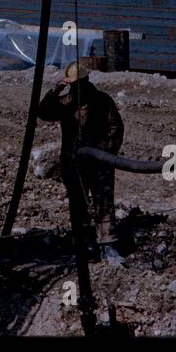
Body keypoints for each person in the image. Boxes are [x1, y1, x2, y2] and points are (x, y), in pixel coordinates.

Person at [37, 61, 126, 266]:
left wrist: (104, 153)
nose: (78, 88)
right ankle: (86, 244)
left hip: (99, 162)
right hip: (73, 162)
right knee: (78, 204)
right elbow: (43, 113)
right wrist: (55, 91)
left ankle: (108, 244)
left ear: (87, 81)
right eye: (74, 85)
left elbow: (116, 129)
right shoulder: (66, 102)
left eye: (80, 84)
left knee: (103, 201)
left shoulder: (102, 101)